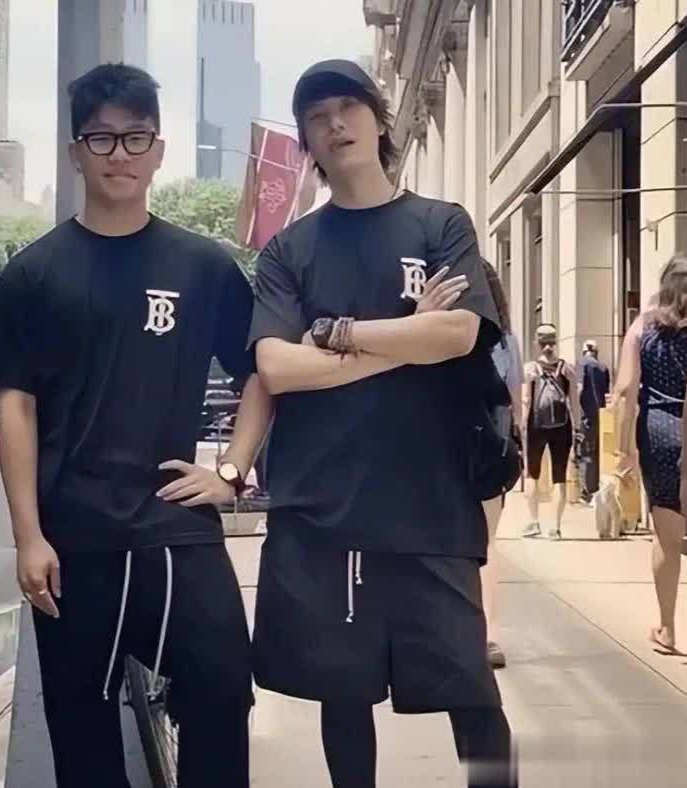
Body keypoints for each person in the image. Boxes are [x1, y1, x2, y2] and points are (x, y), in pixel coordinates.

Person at [0, 64, 272, 788]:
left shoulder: (202, 266)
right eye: (100, 138)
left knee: (223, 692)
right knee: (82, 727)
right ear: (76, 151)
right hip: (74, 537)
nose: (119, 154)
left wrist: (231, 471)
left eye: (136, 137)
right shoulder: (34, 274)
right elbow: (16, 409)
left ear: (158, 150)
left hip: (174, 525)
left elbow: (260, 371)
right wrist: (28, 536)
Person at [249, 59, 516, 788]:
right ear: (305, 138)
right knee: (343, 694)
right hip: (326, 508)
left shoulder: (440, 224)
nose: (335, 124)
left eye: (348, 107)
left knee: (471, 693)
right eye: (316, 116)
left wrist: (333, 334)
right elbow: (276, 367)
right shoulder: (289, 250)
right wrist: (404, 337)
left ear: (378, 118)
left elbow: (458, 333)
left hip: (431, 504)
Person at [614, 256, 687, 654]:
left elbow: (626, 389)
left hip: (658, 430)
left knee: (667, 535)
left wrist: (623, 448)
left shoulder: (643, 326)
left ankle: (668, 628)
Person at [481, 260, 523, 669]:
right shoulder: (507, 340)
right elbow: (515, 401)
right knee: (489, 541)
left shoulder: (445, 333)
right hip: (492, 446)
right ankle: (488, 635)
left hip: (446, 445)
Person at [522, 324, 579, 539]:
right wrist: (577, 428)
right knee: (559, 476)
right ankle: (555, 527)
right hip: (562, 426)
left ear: (537, 343)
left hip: (535, 425)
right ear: (555, 343)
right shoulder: (567, 369)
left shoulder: (530, 369)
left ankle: (533, 522)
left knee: (532, 473)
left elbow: (526, 400)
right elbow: (574, 402)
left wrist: (521, 425)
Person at [578, 340, 610, 503]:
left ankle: (586, 491)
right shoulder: (603, 368)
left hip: (585, 416)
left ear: (584, 351)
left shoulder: (580, 365)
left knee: (584, 452)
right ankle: (595, 487)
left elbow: (578, 390)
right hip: (601, 416)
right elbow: (607, 393)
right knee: (596, 452)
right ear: (596, 352)